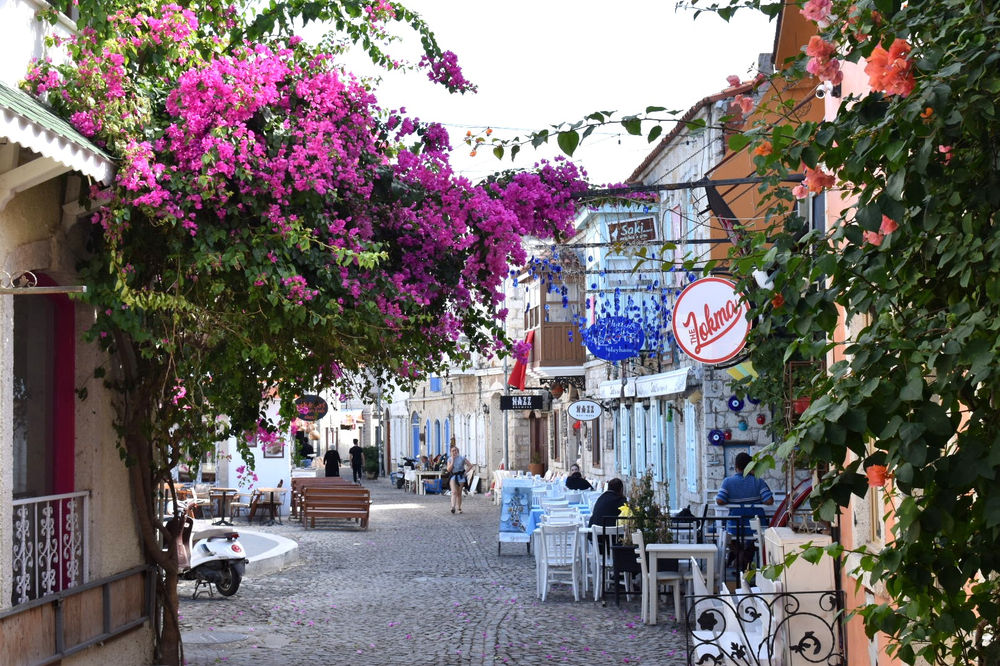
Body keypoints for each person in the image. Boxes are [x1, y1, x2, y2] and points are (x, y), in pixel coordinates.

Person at [716, 451, 773, 570]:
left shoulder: (728, 482)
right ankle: (745, 559)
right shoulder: (758, 481)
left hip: (735, 526)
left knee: (729, 537)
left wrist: (732, 502)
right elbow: (769, 501)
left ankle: (740, 558)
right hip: (756, 526)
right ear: (750, 466)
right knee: (757, 540)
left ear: (736, 467)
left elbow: (720, 501)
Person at [447, 445, 467, 514]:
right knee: (454, 492)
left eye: (455, 450)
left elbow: (470, 465)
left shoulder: (462, 458)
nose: (454, 452)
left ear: (457, 451)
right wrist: (452, 460)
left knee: (459, 493)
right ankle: (453, 507)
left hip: (461, 477)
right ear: (450, 452)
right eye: (453, 451)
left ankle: (459, 508)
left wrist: (465, 472)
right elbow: (449, 470)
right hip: (453, 476)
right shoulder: (449, 459)